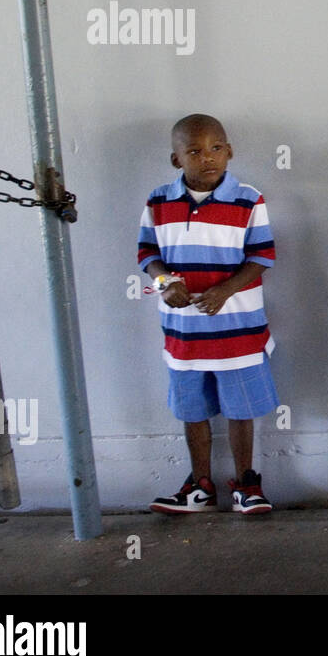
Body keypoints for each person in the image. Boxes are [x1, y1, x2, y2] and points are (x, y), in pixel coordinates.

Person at [138, 114, 278, 515]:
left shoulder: (249, 199)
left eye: (216, 148)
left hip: (239, 331)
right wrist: (165, 283)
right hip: (184, 335)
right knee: (192, 411)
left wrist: (225, 290)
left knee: (241, 410)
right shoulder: (159, 201)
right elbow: (147, 254)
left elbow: (262, 256)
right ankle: (199, 484)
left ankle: (247, 483)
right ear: (176, 159)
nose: (207, 158)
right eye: (194, 151)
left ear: (230, 151)